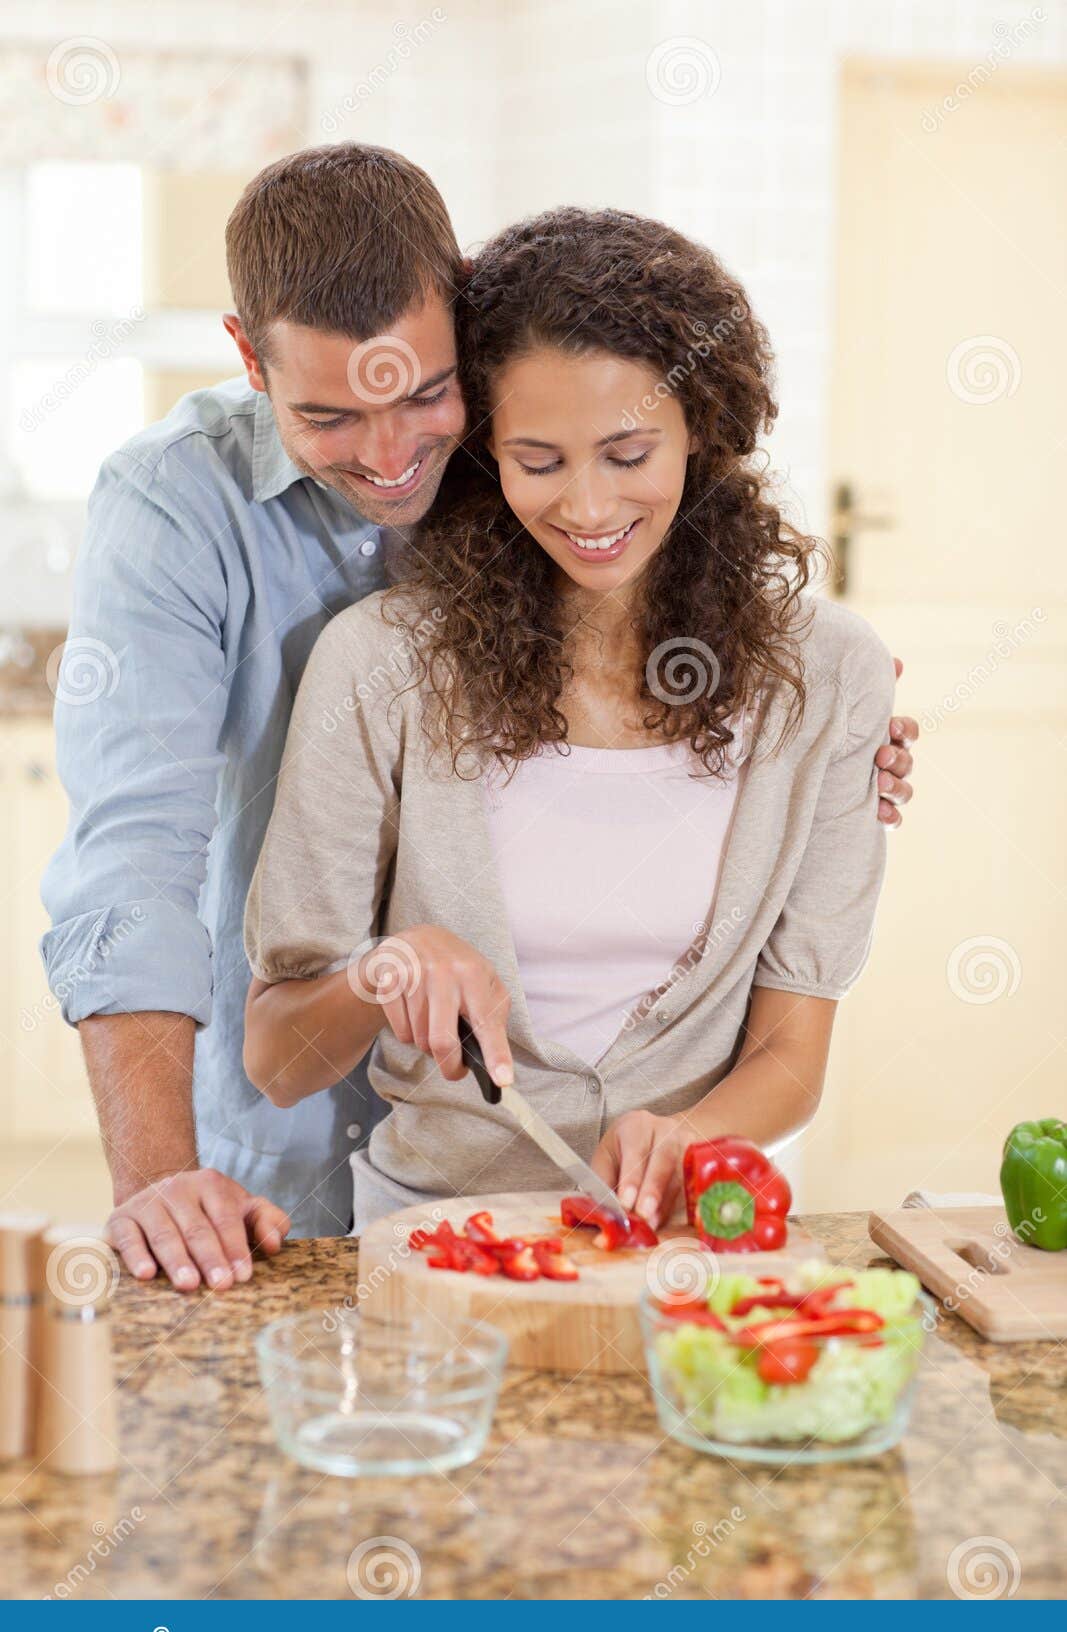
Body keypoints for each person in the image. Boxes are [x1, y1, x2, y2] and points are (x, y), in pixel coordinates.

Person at [40, 146, 917, 1292]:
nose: (394, 454)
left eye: (420, 399)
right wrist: (159, 1176)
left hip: (652, 1246)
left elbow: (786, 1032)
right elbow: (135, 861)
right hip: (323, 1163)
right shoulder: (194, 519)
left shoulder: (550, 456)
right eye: (329, 415)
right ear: (249, 359)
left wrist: (831, 726)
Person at [243, 206, 898, 1235]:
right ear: (485, 453)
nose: (588, 508)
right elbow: (279, 1060)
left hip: (697, 1236)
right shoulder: (383, 665)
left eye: (628, 452)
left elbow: (789, 1057)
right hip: (436, 1237)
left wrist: (692, 1133)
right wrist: (383, 970)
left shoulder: (828, 676)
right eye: (538, 461)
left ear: (702, 430)